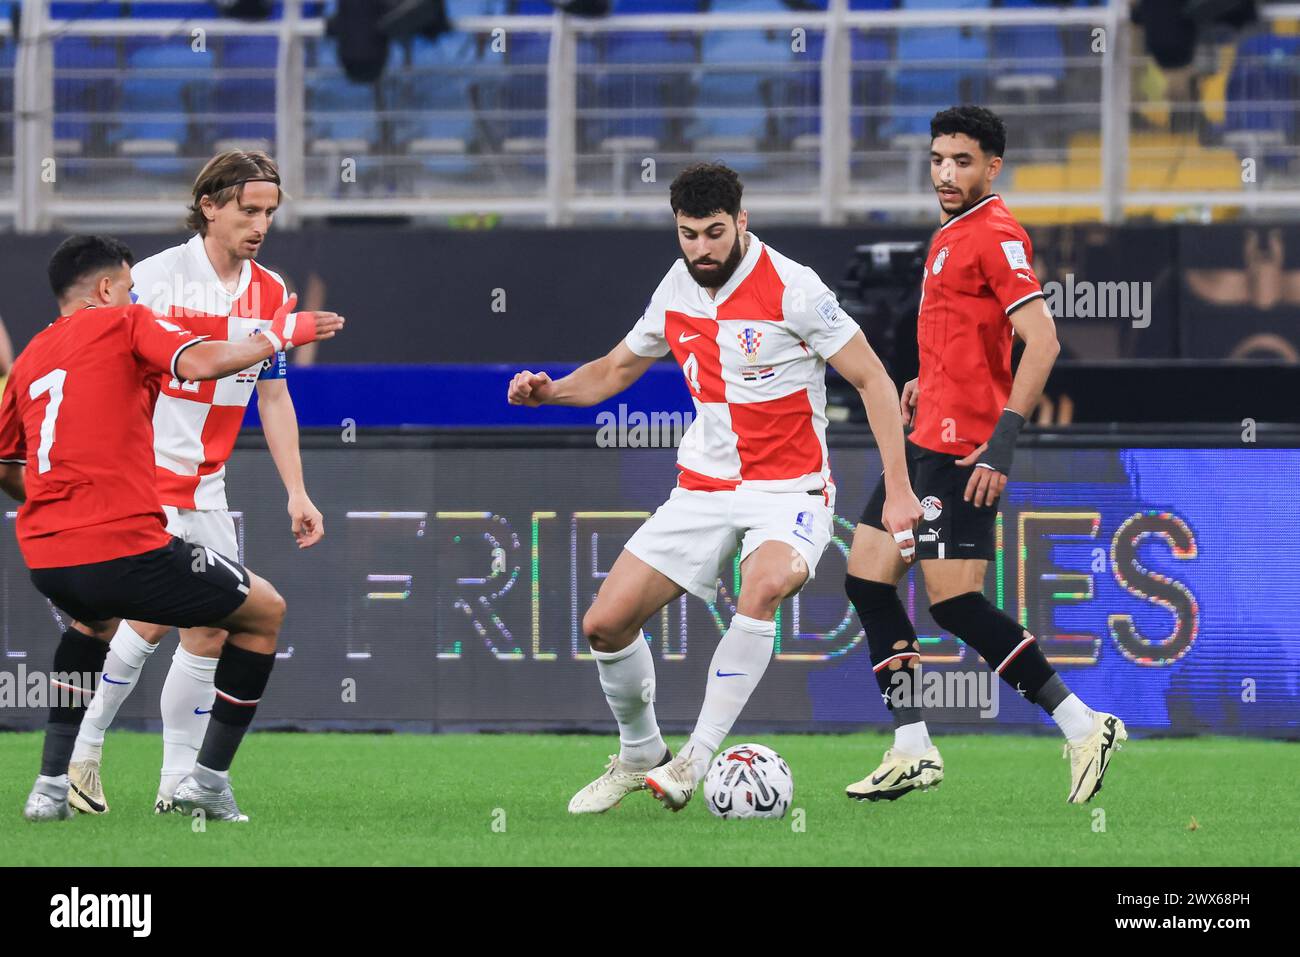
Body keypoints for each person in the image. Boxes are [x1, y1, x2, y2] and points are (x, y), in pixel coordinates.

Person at [508, 162, 922, 814]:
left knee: (762, 586)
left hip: (791, 490)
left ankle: (695, 759)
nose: (701, 248)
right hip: (702, 489)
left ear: (742, 222)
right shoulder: (676, 286)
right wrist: (552, 392)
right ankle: (641, 751)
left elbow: (872, 379)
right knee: (605, 624)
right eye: (688, 234)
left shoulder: (794, 288)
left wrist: (898, 490)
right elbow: (618, 368)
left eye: (714, 232)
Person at [0, 234, 342, 822]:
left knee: (112, 622)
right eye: (128, 289)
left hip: (54, 547)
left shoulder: (31, 355)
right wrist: (280, 333)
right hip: (136, 512)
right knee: (259, 612)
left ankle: (61, 784)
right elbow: (203, 360)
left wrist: (58, 503)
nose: (261, 222)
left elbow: (7, 462)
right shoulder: (130, 316)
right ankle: (199, 781)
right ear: (108, 289)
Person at [842, 106, 1125, 805]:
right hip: (922, 439)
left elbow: (1044, 339)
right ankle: (912, 747)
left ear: (991, 167)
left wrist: (999, 443)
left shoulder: (996, 234)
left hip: (963, 451)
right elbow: (968, 338)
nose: (945, 172)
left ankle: (1082, 722)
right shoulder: (950, 233)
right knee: (867, 581)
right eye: (938, 158)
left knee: (955, 603)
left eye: (961, 161)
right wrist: (924, 381)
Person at [64, 149, 328, 817]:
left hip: (208, 487)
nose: (260, 223)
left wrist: (297, 490)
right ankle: (87, 750)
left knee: (210, 630)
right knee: (158, 616)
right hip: (142, 478)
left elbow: (272, 396)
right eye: (248, 209)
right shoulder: (150, 281)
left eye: (269, 212)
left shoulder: (271, 292)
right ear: (209, 205)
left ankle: (173, 783)